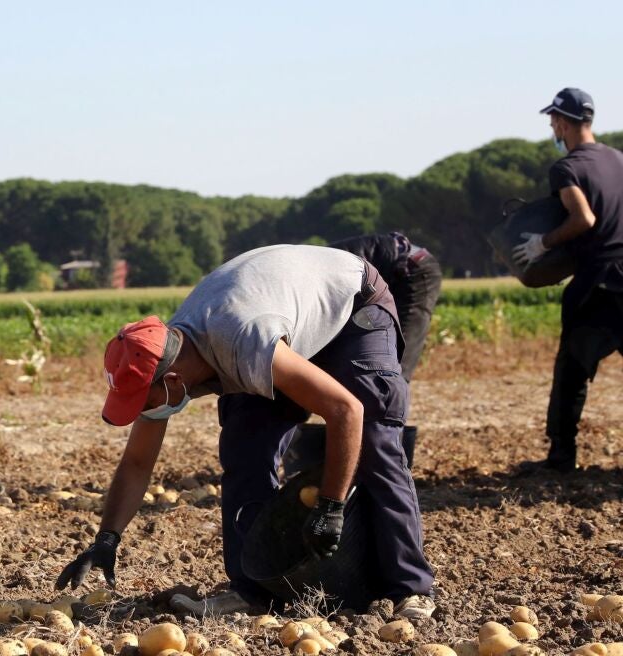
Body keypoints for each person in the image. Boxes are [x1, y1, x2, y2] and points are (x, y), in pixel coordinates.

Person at [55, 245, 435, 619]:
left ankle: (410, 587)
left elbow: (345, 410)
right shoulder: (160, 357)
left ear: (171, 379)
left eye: (142, 402)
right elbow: (138, 462)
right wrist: (106, 538)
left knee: (374, 438)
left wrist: (330, 507)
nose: (142, 413)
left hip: (351, 306)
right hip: (276, 321)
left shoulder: (245, 341)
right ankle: (253, 592)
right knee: (245, 451)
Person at [513, 87, 623, 472]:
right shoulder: (619, 160)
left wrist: (544, 243)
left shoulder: (566, 168)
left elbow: (584, 219)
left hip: (598, 284)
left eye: (552, 120)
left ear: (562, 122)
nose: (551, 126)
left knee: (572, 371)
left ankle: (561, 456)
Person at [328, 232, 442, 381]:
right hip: (391, 272)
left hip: (414, 269)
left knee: (398, 360)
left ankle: (391, 399)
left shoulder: (314, 270)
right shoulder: (308, 262)